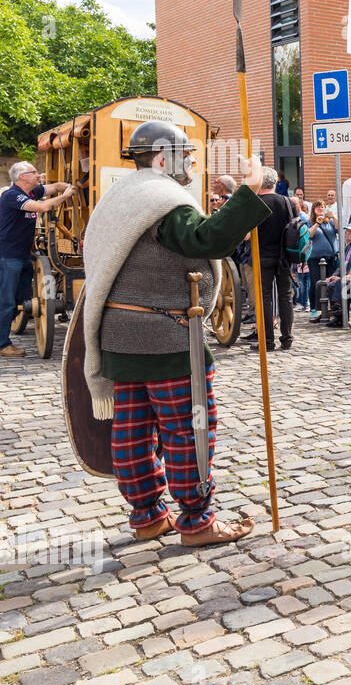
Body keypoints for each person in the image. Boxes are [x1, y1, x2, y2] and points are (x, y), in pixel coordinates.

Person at [81, 123, 271, 545]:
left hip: (121, 338)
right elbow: (208, 239)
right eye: (186, 155)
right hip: (166, 339)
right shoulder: (163, 201)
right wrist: (251, 189)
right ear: (163, 158)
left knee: (133, 429)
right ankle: (197, 521)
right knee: (190, 429)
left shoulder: (120, 195)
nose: (191, 163)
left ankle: (147, 515)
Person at [1, 161, 76, 357]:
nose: (38, 174)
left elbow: (55, 187)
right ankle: (2, 344)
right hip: (8, 256)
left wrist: (66, 186)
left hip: (23, 255)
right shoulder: (13, 196)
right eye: (33, 172)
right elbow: (43, 207)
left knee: (22, 300)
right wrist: (65, 197)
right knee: (7, 301)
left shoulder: (32, 192)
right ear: (22, 177)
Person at [239, 167, 296, 351]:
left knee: (264, 299)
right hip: (284, 257)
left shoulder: (254, 204)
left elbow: (246, 236)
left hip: (262, 256)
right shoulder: (287, 202)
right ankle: (287, 339)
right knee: (286, 297)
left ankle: (267, 341)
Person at [305, 201, 339, 322]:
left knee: (331, 283)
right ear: (313, 210)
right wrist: (317, 223)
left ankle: (331, 308)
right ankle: (314, 308)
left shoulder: (330, 222)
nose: (320, 209)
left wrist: (333, 216)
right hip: (315, 259)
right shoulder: (309, 222)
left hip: (330, 258)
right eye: (317, 207)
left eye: (322, 207)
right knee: (315, 283)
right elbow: (309, 235)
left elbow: (339, 229)